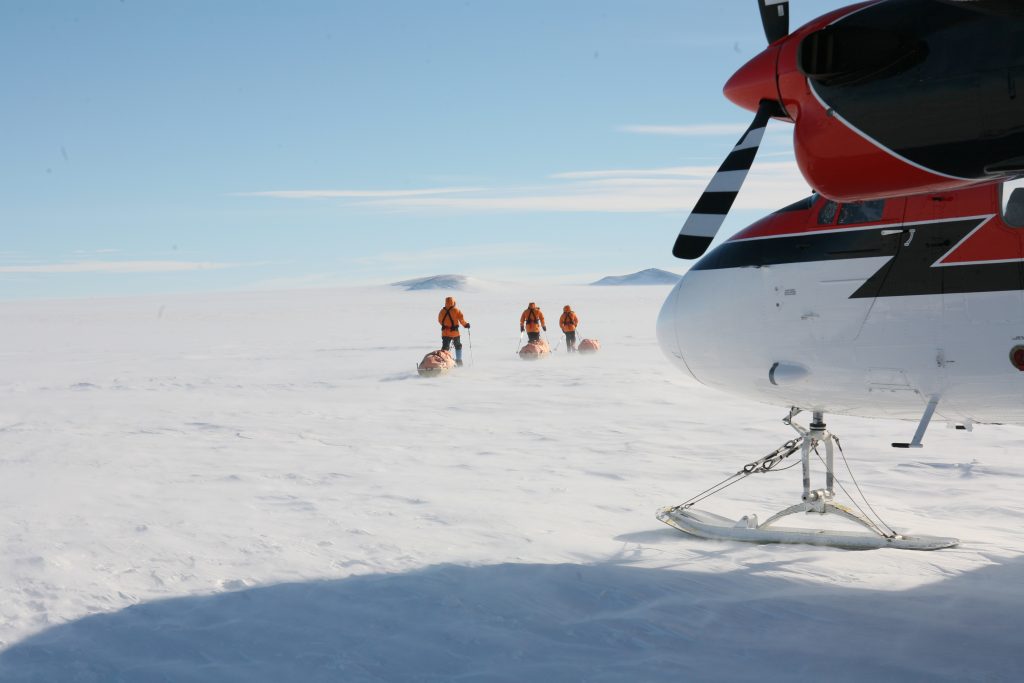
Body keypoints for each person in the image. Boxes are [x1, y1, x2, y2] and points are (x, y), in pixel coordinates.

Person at [438, 296, 470, 366]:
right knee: (458, 346)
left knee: (445, 348)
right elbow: (461, 320)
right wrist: (466, 325)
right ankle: (459, 361)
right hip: (455, 333)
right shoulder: (456, 310)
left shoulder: (442, 311)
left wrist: (446, 326)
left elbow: (439, 320)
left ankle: (444, 362)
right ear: (453, 302)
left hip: (445, 333)